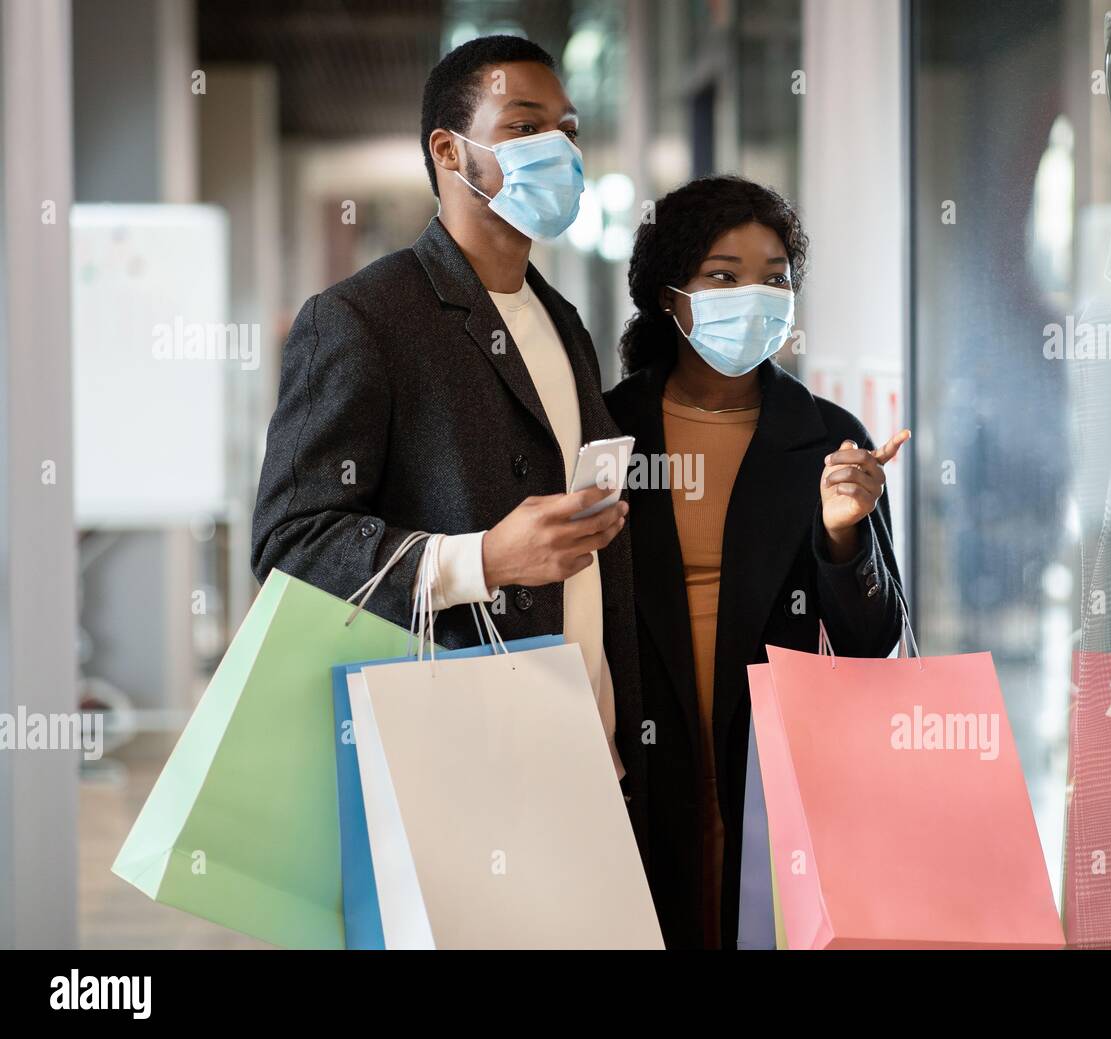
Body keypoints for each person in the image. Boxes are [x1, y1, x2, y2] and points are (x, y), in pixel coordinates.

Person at [250, 36, 647, 853]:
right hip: (448, 760)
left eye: (568, 131)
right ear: (448, 149)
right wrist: (484, 559)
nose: (560, 152)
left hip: (583, 748)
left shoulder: (562, 320)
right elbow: (290, 542)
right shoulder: (361, 318)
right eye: (527, 126)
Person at [604, 176, 909, 949]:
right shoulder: (606, 430)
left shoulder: (829, 434)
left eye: (775, 277)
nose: (755, 294)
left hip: (780, 782)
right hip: (633, 767)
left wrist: (844, 537)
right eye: (724, 275)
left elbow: (874, 641)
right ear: (670, 296)